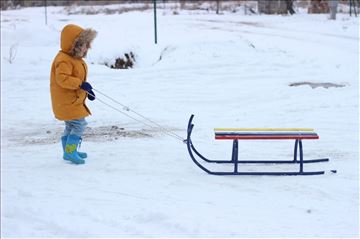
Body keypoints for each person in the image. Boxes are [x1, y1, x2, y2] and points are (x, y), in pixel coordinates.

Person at [50, 24, 97, 164]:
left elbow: (77, 79)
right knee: (79, 125)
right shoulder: (63, 60)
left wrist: (87, 90)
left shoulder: (74, 59)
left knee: (71, 126)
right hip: (67, 102)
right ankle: (70, 152)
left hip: (70, 101)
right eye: (84, 45)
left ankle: (69, 151)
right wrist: (80, 84)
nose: (87, 48)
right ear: (74, 45)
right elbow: (62, 79)